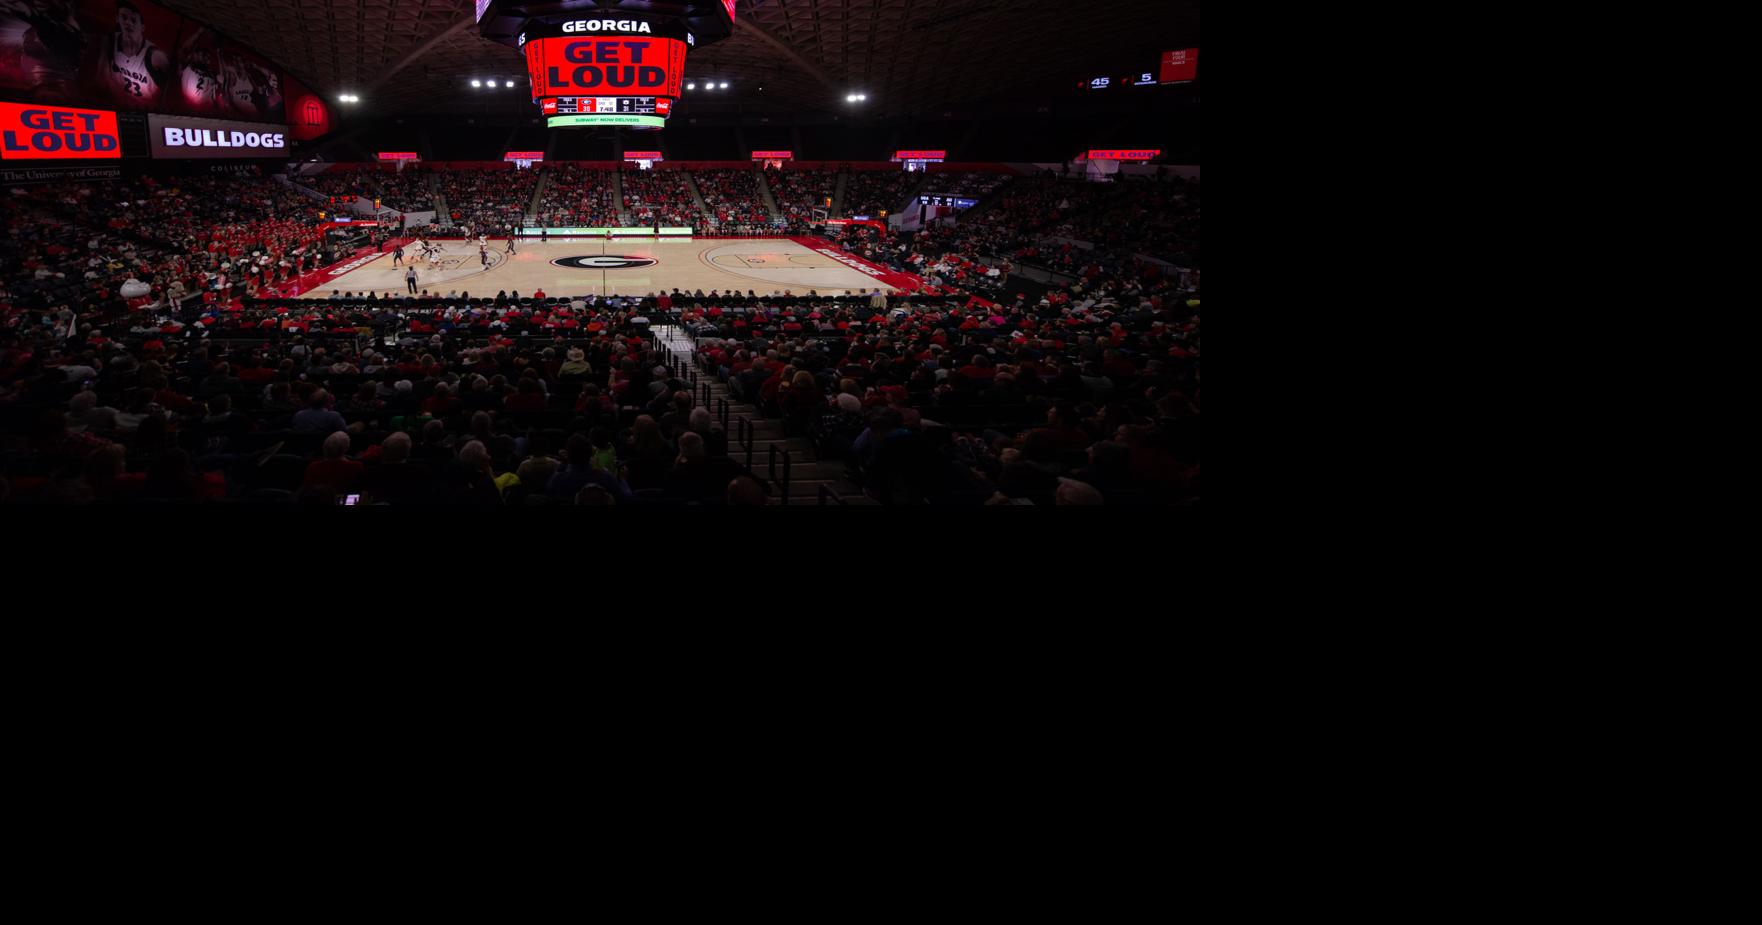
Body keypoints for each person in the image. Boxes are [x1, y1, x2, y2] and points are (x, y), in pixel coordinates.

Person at [102, 0, 170, 107]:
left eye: (133, 20)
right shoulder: (109, 41)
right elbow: (102, 77)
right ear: (117, 19)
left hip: (145, 112)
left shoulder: (155, 56)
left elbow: (171, 88)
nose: (128, 23)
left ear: (142, 27)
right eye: (124, 17)